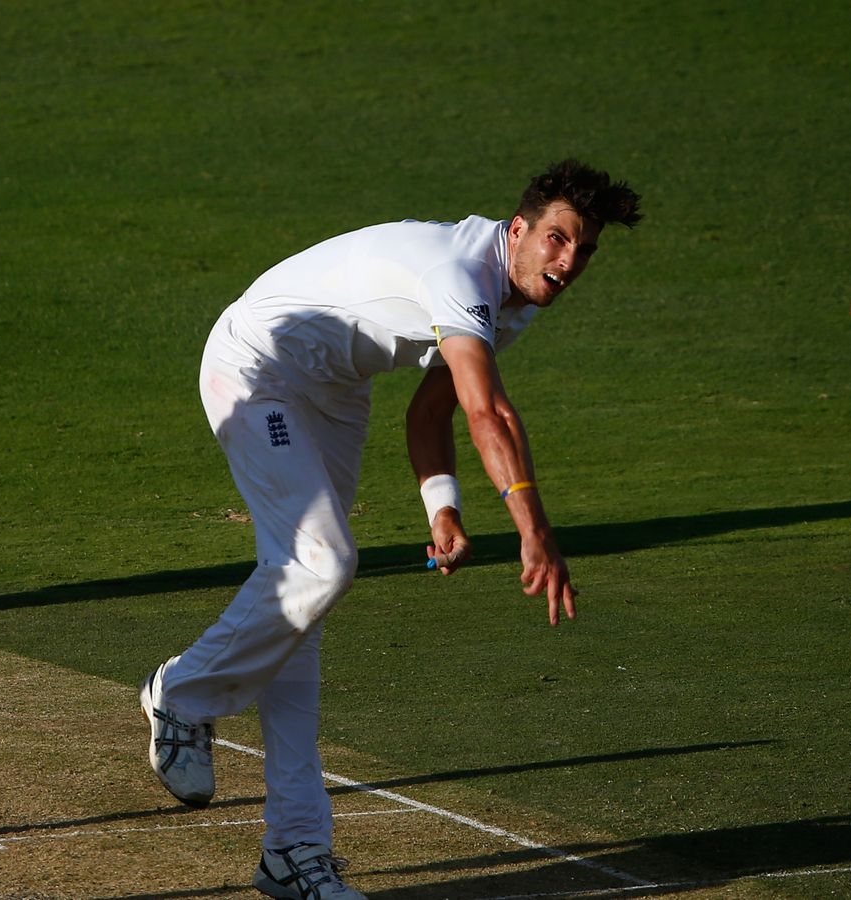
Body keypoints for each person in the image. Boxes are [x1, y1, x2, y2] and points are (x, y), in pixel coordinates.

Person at [139, 159, 642, 899]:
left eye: (585, 250)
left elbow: (429, 412)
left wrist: (445, 509)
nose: (569, 263)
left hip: (335, 392)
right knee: (322, 566)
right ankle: (180, 695)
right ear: (519, 231)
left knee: (299, 609)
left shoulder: (516, 298)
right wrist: (533, 530)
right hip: (258, 365)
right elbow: (487, 413)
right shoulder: (460, 274)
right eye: (559, 240)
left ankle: (294, 854)